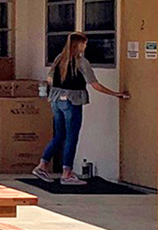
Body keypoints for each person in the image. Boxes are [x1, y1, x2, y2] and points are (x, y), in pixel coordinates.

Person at [34, 32, 128, 186]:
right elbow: (94, 84)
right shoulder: (81, 62)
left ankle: (42, 165)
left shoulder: (59, 59)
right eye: (85, 43)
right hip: (72, 100)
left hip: (56, 100)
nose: (86, 46)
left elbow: (49, 79)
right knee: (72, 136)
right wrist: (115, 94)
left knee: (59, 135)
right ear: (79, 45)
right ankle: (67, 173)